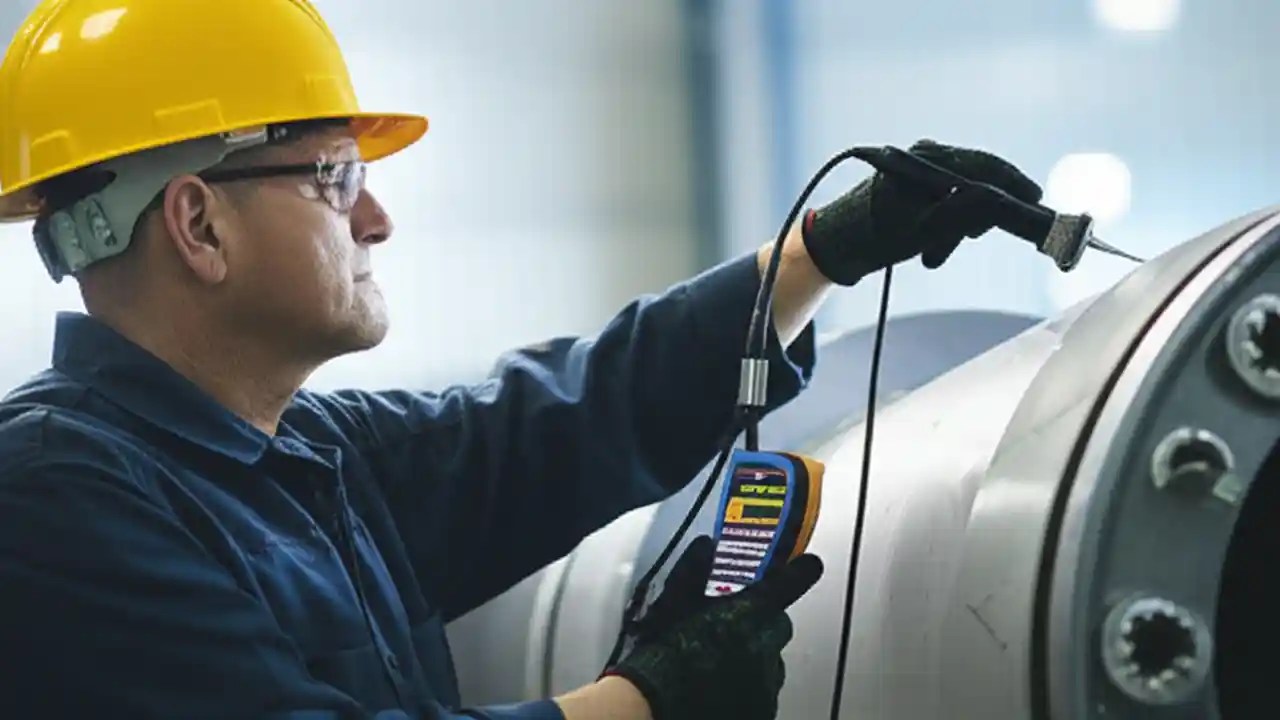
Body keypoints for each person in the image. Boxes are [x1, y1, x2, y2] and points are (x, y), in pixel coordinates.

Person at [0, 1, 1046, 719]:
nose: (375, 218)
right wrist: (642, 701)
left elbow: (560, 419)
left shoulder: (299, 453)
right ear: (197, 225)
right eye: (332, 177)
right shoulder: (53, 493)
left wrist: (825, 247)